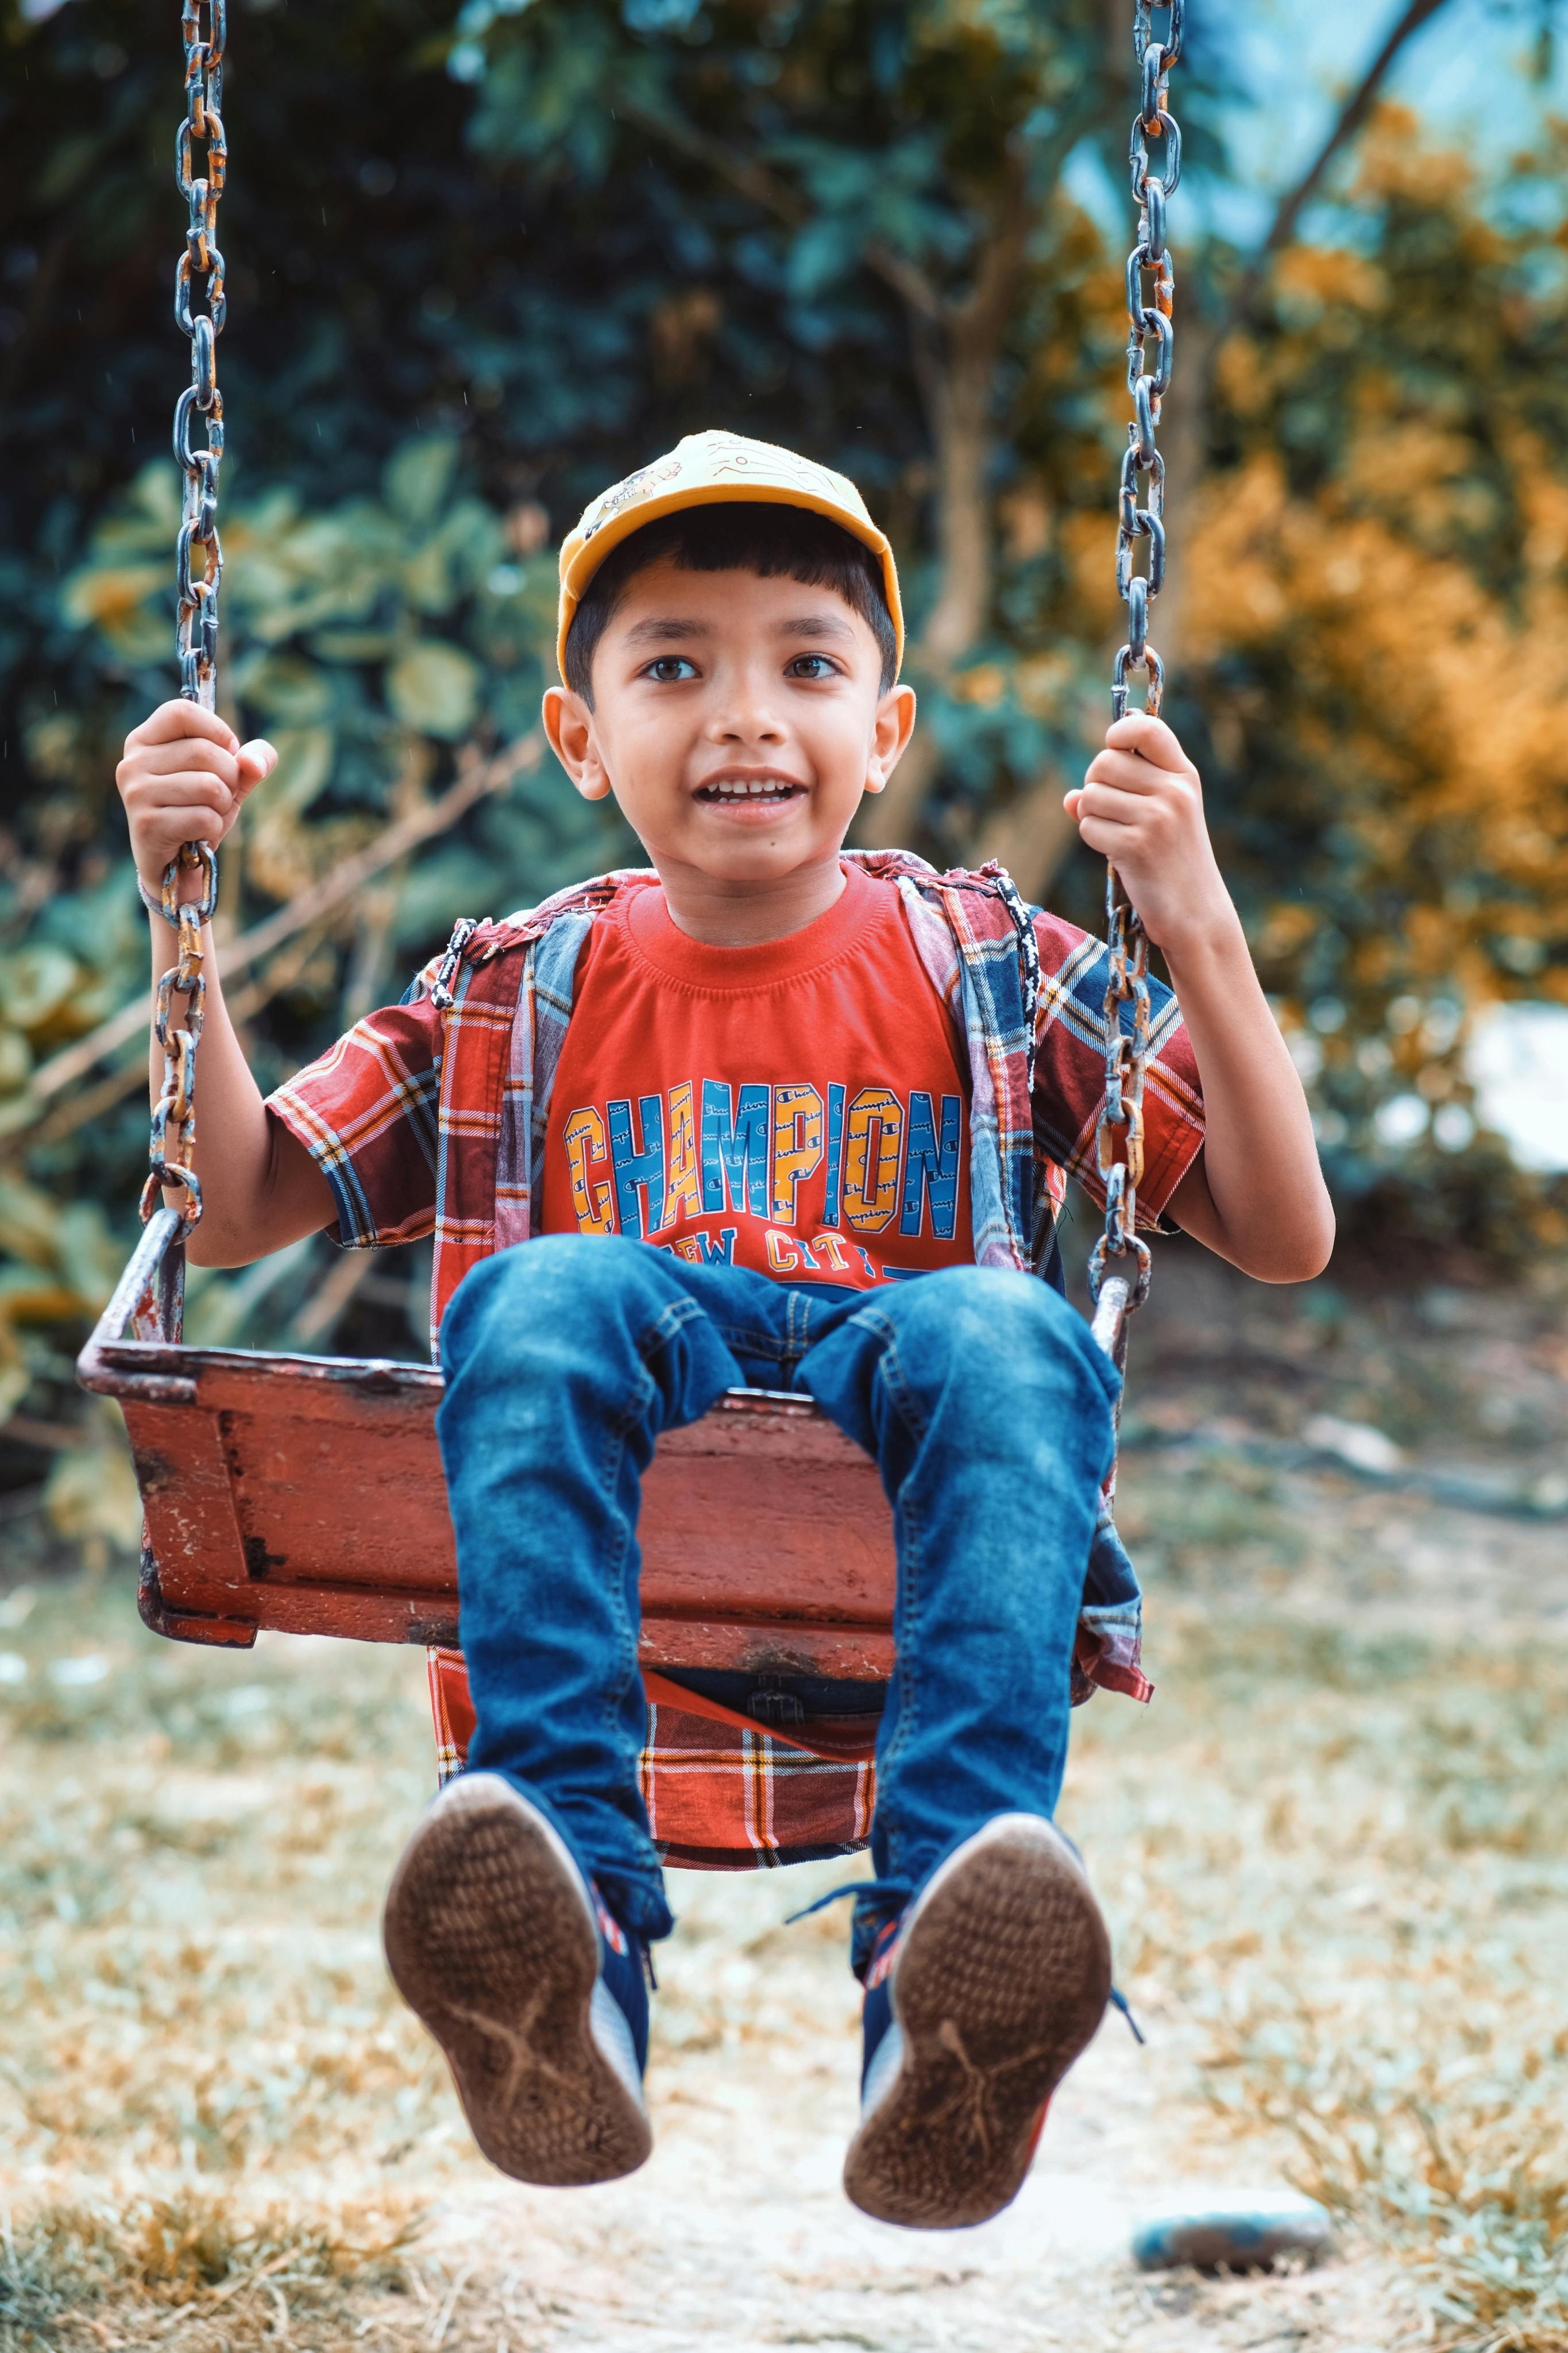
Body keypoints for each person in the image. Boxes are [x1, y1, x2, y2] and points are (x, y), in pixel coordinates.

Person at [115, 430, 1334, 2231]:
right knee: (538, 1290)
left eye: (805, 665)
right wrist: (180, 916)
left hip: (898, 1431)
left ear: (887, 730)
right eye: (672, 665)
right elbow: (228, 1208)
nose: (745, 715)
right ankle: (573, 1944)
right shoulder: (513, 981)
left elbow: (1280, 1231)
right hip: (638, 1429)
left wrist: (1200, 929)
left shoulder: (987, 960)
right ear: (579, 737)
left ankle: (943, 1983)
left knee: (1004, 1330)